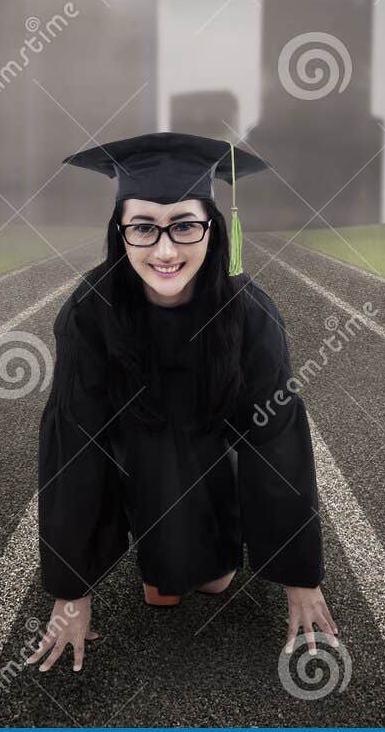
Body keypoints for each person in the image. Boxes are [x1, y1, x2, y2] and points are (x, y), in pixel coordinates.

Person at [26, 131, 339, 673]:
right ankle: (156, 545)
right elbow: (73, 442)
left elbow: (275, 438)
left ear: (214, 230)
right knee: (161, 579)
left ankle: (219, 539)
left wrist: (300, 575)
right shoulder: (90, 311)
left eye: (185, 226)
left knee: (215, 573)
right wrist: (71, 590)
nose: (165, 250)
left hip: (214, 441)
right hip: (135, 452)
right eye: (144, 227)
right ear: (120, 232)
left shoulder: (250, 315)